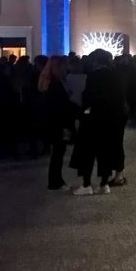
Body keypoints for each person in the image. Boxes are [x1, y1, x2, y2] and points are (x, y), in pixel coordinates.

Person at [72, 49, 127, 196]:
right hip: (113, 119)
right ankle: (104, 184)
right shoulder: (118, 76)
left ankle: (86, 184)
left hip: (94, 118)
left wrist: (81, 111)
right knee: (105, 152)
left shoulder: (94, 77)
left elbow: (88, 97)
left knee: (87, 152)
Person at [38, 56, 74, 190]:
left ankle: (57, 180)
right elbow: (59, 105)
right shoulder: (55, 83)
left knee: (58, 152)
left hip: (55, 121)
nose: (67, 68)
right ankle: (55, 182)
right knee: (58, 153)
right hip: (57, 122)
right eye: (65, 66)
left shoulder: (53, 82)